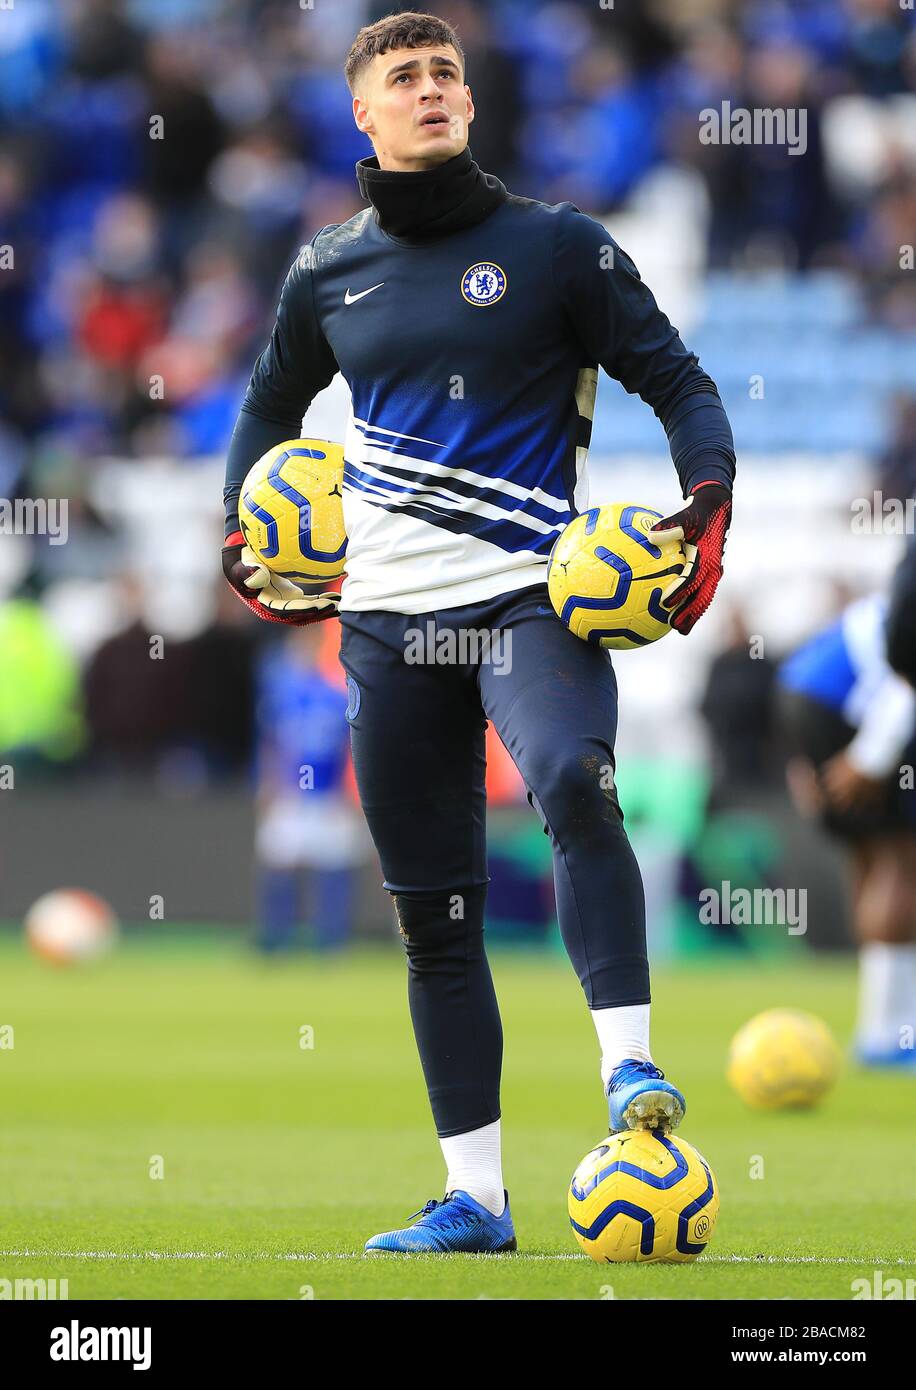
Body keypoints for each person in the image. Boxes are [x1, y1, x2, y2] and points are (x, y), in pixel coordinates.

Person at [221, 11, 735, 1254]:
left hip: (530, 599)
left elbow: (679, 381)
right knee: (432, 916)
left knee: (572, 780)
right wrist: (239, 546)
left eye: (446, 72)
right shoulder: (326, 268)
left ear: (469, 99)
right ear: (364, 113)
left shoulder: (559, 247)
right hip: (387, 622)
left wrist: (706, 504)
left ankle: (629, 1070)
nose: (431, 88)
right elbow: (265, 411)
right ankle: (478, 1200)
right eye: (403, 76)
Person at [777, 576, 916, 1071]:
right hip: (850, 705)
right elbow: (906, 684)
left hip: (809, 693)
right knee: (901, 856)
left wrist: (801, 758)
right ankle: (889, 1033)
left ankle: (882, 1025)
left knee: (871, 856)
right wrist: (869, 758)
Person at [254, 625, 365, 953]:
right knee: (278, 862)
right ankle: (276, 937)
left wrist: (352, 790)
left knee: (333, 863)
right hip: (291, 793)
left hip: (328, 793)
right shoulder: (281, 693)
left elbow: (352, 746)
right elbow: (271, 743)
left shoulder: (336, 694)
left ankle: (330, 939)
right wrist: (267, 782)